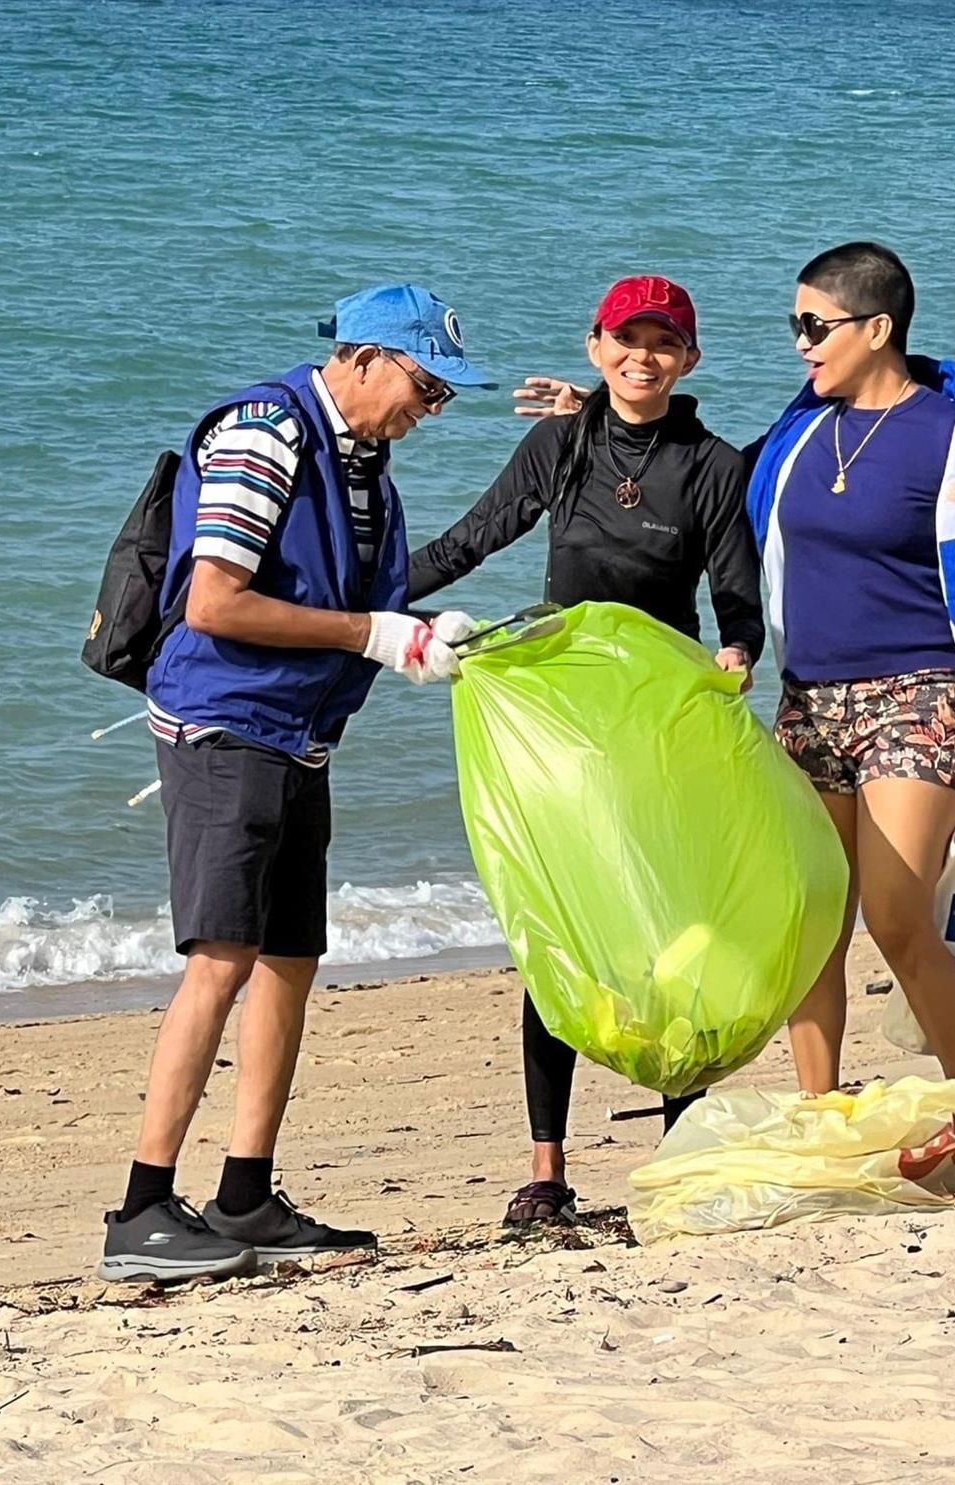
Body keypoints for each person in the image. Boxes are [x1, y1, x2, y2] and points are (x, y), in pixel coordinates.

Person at [100, 285, 490, 1283]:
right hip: (224, 726)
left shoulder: (367, 468)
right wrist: (371, 634)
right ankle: (142, 1209)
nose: (431, 408)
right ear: (362, 358)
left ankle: (245, 1194)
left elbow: (360, 598)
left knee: (288, 957)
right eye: (423, 383)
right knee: (221, 957)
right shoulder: (265, 433)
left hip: (300, 736)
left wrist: (422, 636)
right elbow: (215, 602)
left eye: (443, 393)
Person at [409, 274, 765, 1227]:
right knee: (561, 933)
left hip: (661, 720)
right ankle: (547, 1168)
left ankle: (682, 1145)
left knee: (673, 930)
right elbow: (476, 537)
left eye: (662, 344)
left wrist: (737, 653)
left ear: (688, 359)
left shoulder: (712, 466)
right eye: (625, 340)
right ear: (594, 347)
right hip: (567, 718)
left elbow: (737, 597)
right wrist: (364, 596)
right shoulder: (559, 444)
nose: (641, 357)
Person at [748, 241, 955, 1096]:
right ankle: (821, 1110)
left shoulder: (947, 432)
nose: (801, 342)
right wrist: (611, 420)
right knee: (811, 925)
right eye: (794, 324)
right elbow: (708, 485)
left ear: (877, 328)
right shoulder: (801, 429)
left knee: (895, 913)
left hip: (915, 696)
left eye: (815, 324)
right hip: (807, 699)